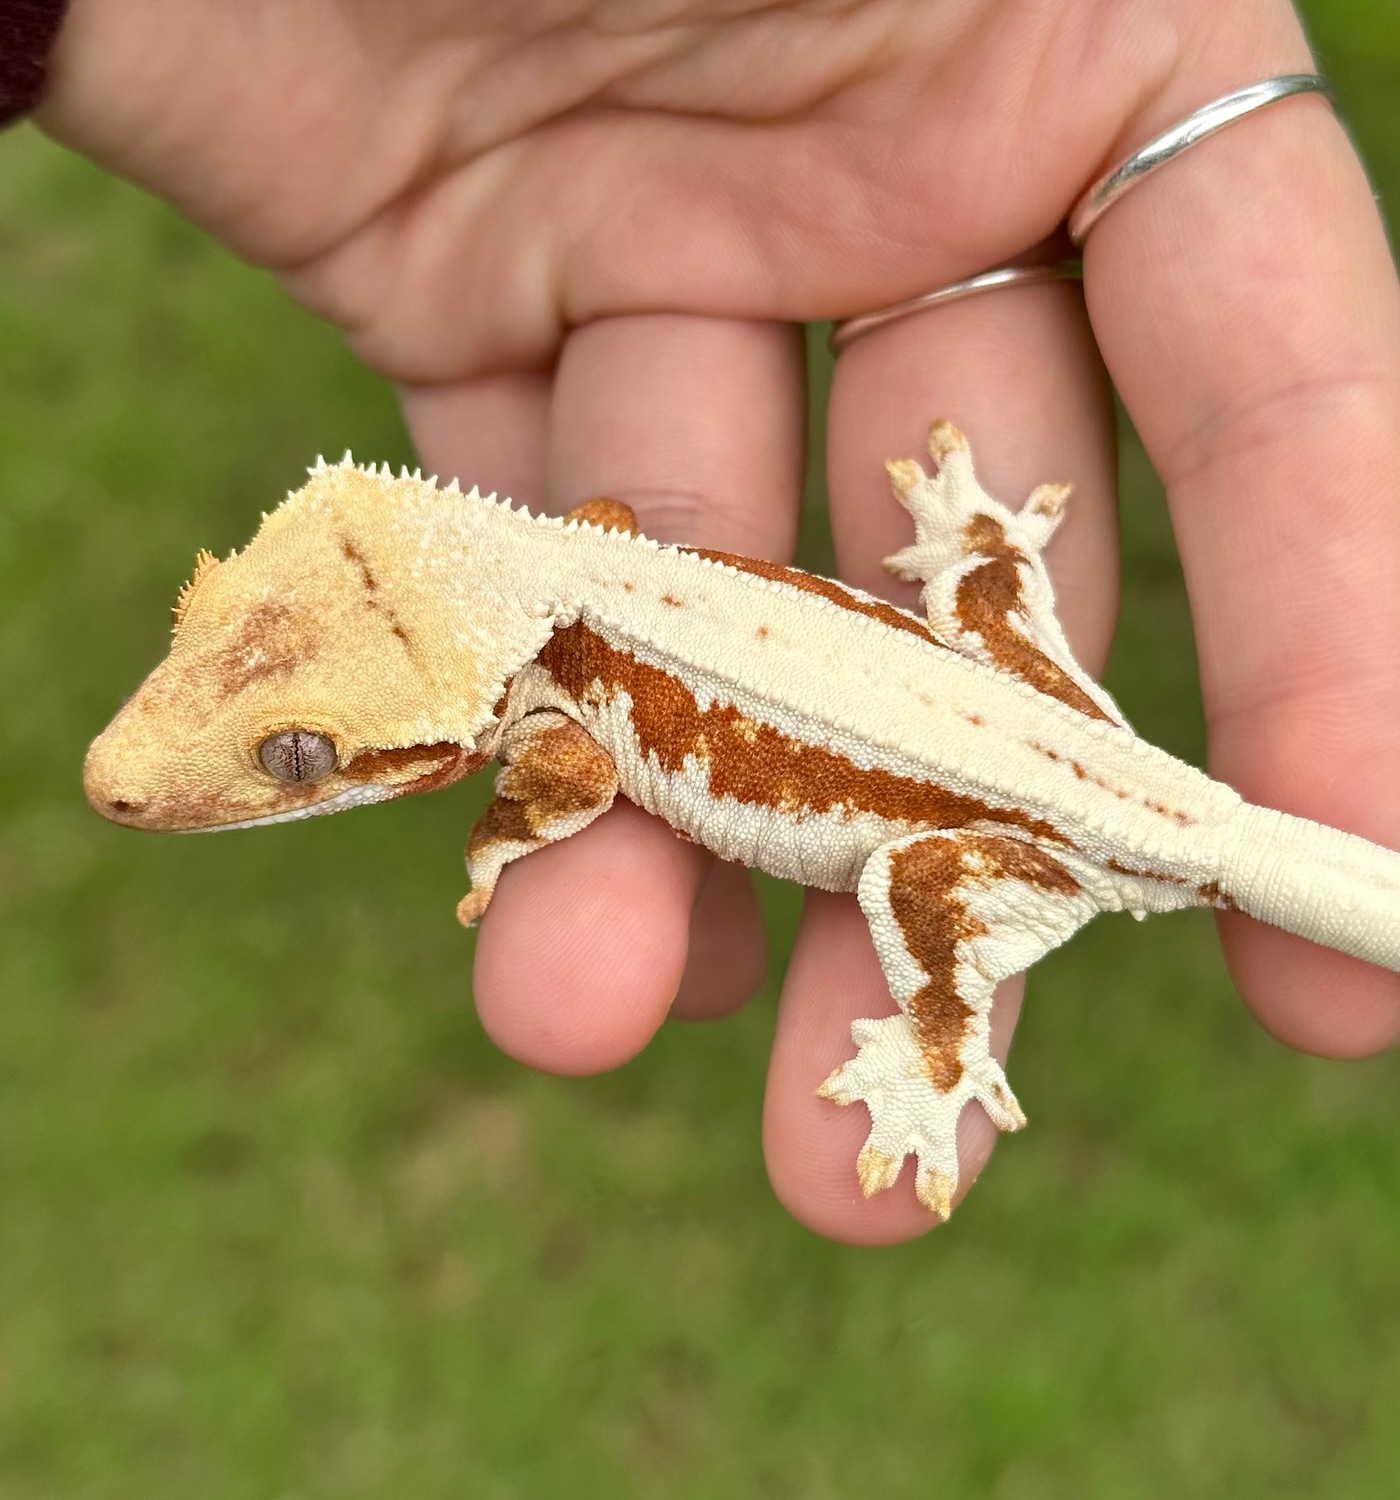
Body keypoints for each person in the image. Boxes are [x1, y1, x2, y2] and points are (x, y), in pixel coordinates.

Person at [9, 0, 1399, 1243]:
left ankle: (946, 1049)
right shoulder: (574, 551)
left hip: (1027, 829)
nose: (146, 780)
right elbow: (603, 540)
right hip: (1024, 706)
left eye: (298, 756)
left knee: (914, 891)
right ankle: (985, 555)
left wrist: (502, 827)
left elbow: (572, 770)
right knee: (972, 634)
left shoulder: (551, 701)